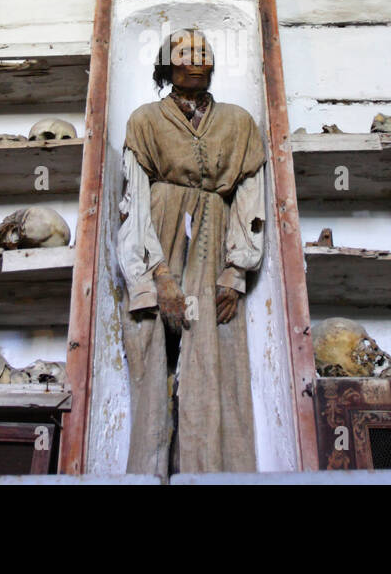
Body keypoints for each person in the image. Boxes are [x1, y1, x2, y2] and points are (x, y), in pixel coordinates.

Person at [117, 28, 265, 474]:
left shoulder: (238, 122)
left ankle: (213, 475)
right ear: (167, 63)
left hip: (215, 240)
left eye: (205, 52)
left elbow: (250, 198)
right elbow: (134, 202)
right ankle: (149, 474)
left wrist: (235, 274)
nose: (197, 59)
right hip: (159, 232)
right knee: (150, 350)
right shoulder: (144, 120)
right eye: (186, 52)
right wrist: (156, 274)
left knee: (214, 360)